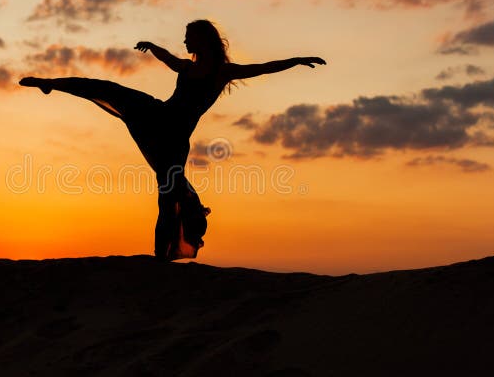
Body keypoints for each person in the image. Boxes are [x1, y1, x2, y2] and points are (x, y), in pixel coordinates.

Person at [19, 19, 325, 260]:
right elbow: (167, 58)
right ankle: (51, 83)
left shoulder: (222, 72)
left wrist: (296, 60)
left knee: (168, 197)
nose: (184, 41)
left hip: (175, 139)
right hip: (157, 116)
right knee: (110, 89)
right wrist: (153, 45)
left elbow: (263, 68)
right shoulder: (188, 66)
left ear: (202, 39)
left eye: (188, 35)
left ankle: (160, 257)